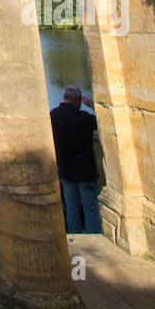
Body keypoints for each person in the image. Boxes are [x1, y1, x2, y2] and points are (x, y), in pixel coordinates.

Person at [49, 85, 102, 234]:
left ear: (64, 98)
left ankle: (74, 237)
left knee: (71, 208)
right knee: (90, 209)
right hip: (85, 172)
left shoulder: (53, 116)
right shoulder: (84, 118)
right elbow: (104, 120)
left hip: (66, 171)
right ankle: (94, 239)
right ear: (78, 100)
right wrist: (92, 105)